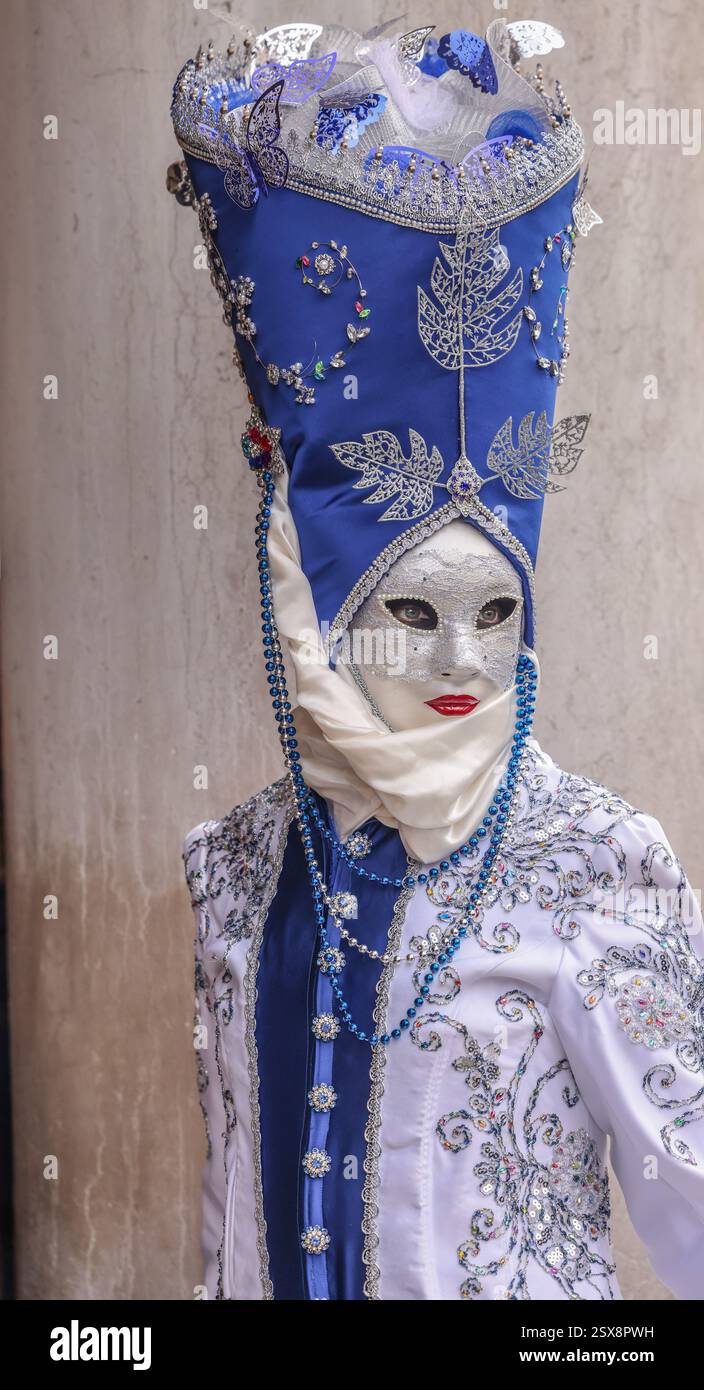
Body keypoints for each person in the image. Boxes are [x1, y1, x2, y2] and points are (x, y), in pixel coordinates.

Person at [170, 18, 704, 1300]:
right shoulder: (241, 870)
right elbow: (223, 1225)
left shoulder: (595, 871)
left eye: (497, 612)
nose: (464, 657)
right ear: (309, 603)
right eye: (407, 612)